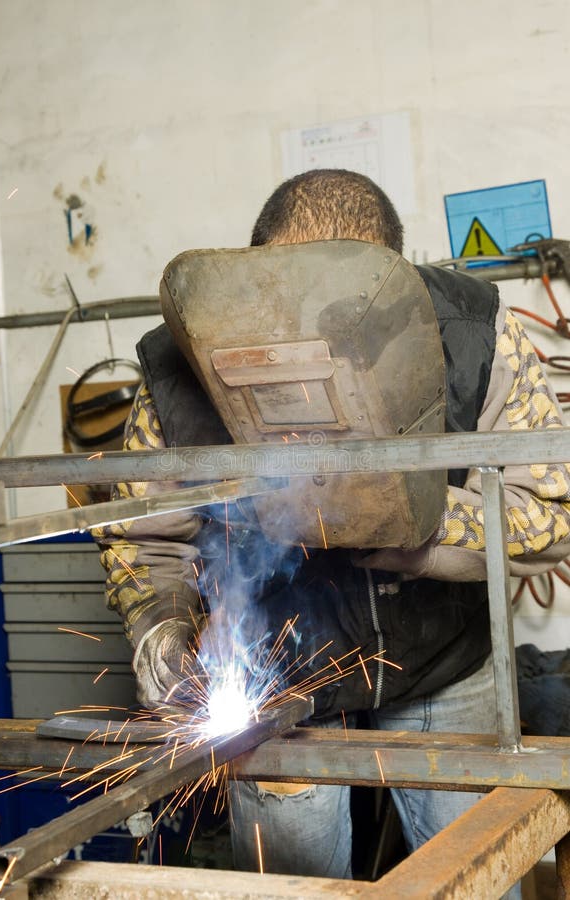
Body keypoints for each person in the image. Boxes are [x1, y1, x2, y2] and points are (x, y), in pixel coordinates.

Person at [95, 169, 570, 887]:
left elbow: (555, 513)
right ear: (251, 269)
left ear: (397, 281)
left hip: (439, 663)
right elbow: (145, 536)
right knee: (290, 884)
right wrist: (160, 624)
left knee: (477, 875)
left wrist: (418, 532)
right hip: (275, 683)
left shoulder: (476, 333)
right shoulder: (177, 359)